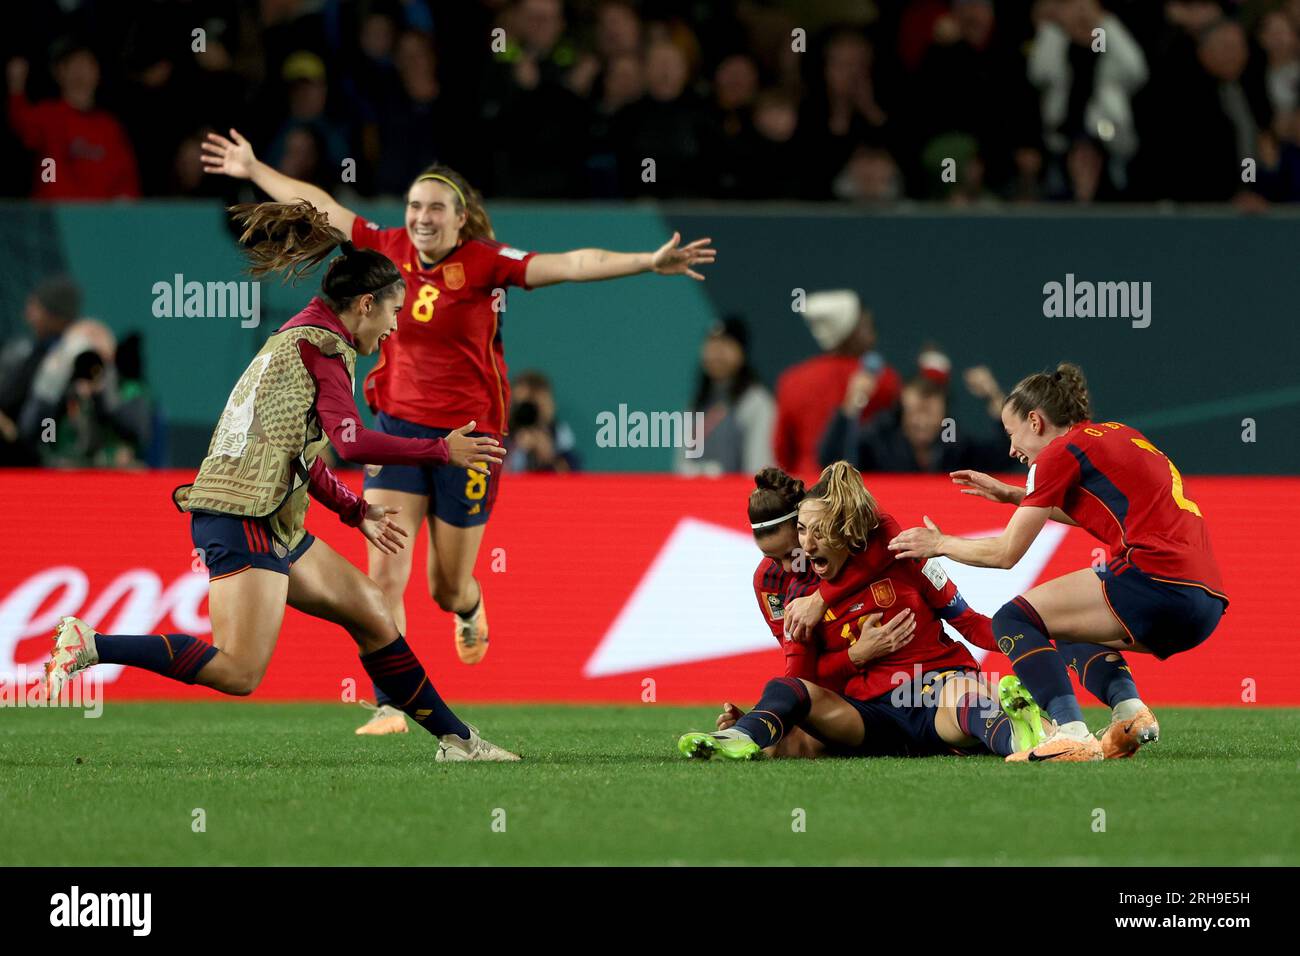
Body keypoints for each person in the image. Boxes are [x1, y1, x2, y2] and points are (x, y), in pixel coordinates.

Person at [201, 129, 715, 735]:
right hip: (394, 431)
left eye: (434, 208)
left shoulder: (485, 262)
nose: (421, 217)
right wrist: (254, 166)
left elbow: (572, 265)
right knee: (385, 569)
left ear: (460, 216)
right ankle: (390, 703)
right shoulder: (385, 248)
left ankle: (469, 606)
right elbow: (320, 206)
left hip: (469, 441)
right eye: (415, 206)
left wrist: (647, 262)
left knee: (444, 586)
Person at [43, 200, 517, 762]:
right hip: (241, 517)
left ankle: (457, 741)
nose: (394, 328)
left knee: (371, 608)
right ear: (365, 305)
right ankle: (92, 645)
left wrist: (352, 509)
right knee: (240, 670)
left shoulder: (299, 333)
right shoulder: (324, 350)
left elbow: (299, 452)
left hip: (265, 512)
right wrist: (441, 449)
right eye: (393, 312)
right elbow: (350, 442)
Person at [888, 363, 1228, 762]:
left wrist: (940, 543)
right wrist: (1016, 496)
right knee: (1066, 626)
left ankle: (1069, 731)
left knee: (1013, 619)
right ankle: (1131, 713)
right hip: (1205, 601)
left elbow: (1005, 554)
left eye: (1012, 434)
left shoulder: (1059, 453)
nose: (1012, 449)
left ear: (1035, 421)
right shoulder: (1118, 434)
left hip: (1156, 576)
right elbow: (1095, 510)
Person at [677, 462, 1049, 761]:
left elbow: (967, 622)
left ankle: (1021, 740)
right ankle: (743, 735)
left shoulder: (905, 555)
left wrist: (1034, 641)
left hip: (931, 691)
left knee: (966, 697)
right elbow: (802, 680)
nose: (805, 547)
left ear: (844, 533)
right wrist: (855, 656)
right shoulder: (799, 601)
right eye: (803, 532)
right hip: (867, 715)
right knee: (785, 700)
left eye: (818, 533)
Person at [772, 290, 900, 478]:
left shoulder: (792, 379)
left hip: (805, 489)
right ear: (851, 331)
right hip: (860, 492)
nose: (873, 332)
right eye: (866, 324)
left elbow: (782, 450)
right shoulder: (884, 379)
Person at [819, 365, 1009, 473]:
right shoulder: (877, 444)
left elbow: (1007, 453)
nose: (922, 421)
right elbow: (831, 462)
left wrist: (994, 396)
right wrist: (851, 404)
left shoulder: (957, 448)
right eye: (916, 412)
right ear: (902, 411)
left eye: (930, 413)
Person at [676, 317, 775, 476]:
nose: (716, 353)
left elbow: (759, 469)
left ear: (741, 351)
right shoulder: (697, 403)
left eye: (725, 344)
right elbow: (682, 464)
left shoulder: (756, 403)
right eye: (711, 343)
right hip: (695, 496)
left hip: (737, 497)